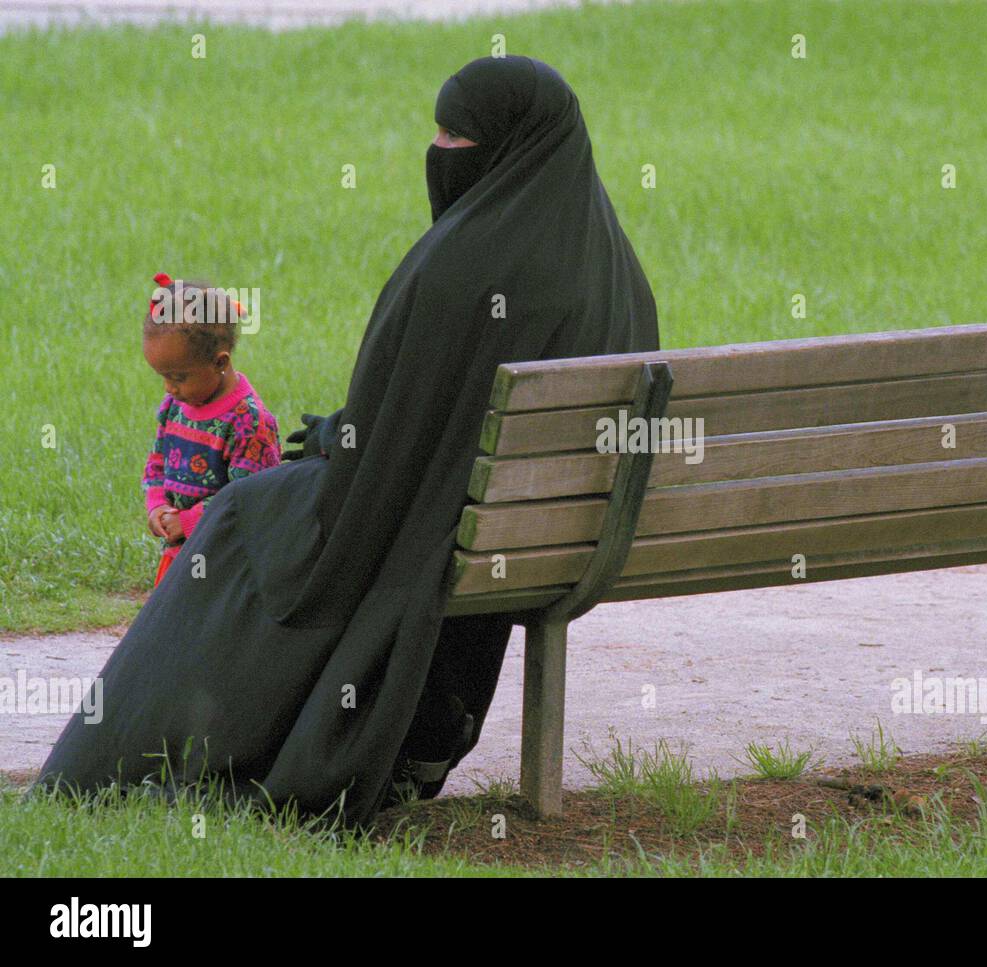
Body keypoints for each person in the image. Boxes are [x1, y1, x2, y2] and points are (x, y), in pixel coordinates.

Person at [37, 55, 660, 826]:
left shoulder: (459, 271)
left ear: (506, 146)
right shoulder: (619, 274)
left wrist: (333, 436)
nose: (439, 151)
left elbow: (381, 460)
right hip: (565, 537)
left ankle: (117, 758)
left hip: (440, 537)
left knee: (238, 518)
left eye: (455, 136)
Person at [141, 273, 281, 586]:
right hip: (179, 557)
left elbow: (251, 500)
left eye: (178, 377)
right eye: (162, 376)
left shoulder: (249, 421)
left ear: (220, 362)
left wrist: (188, 522)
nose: (168, 388)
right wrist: (158, 507)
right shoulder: (174, 407)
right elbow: (157, 464)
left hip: (228, 568)